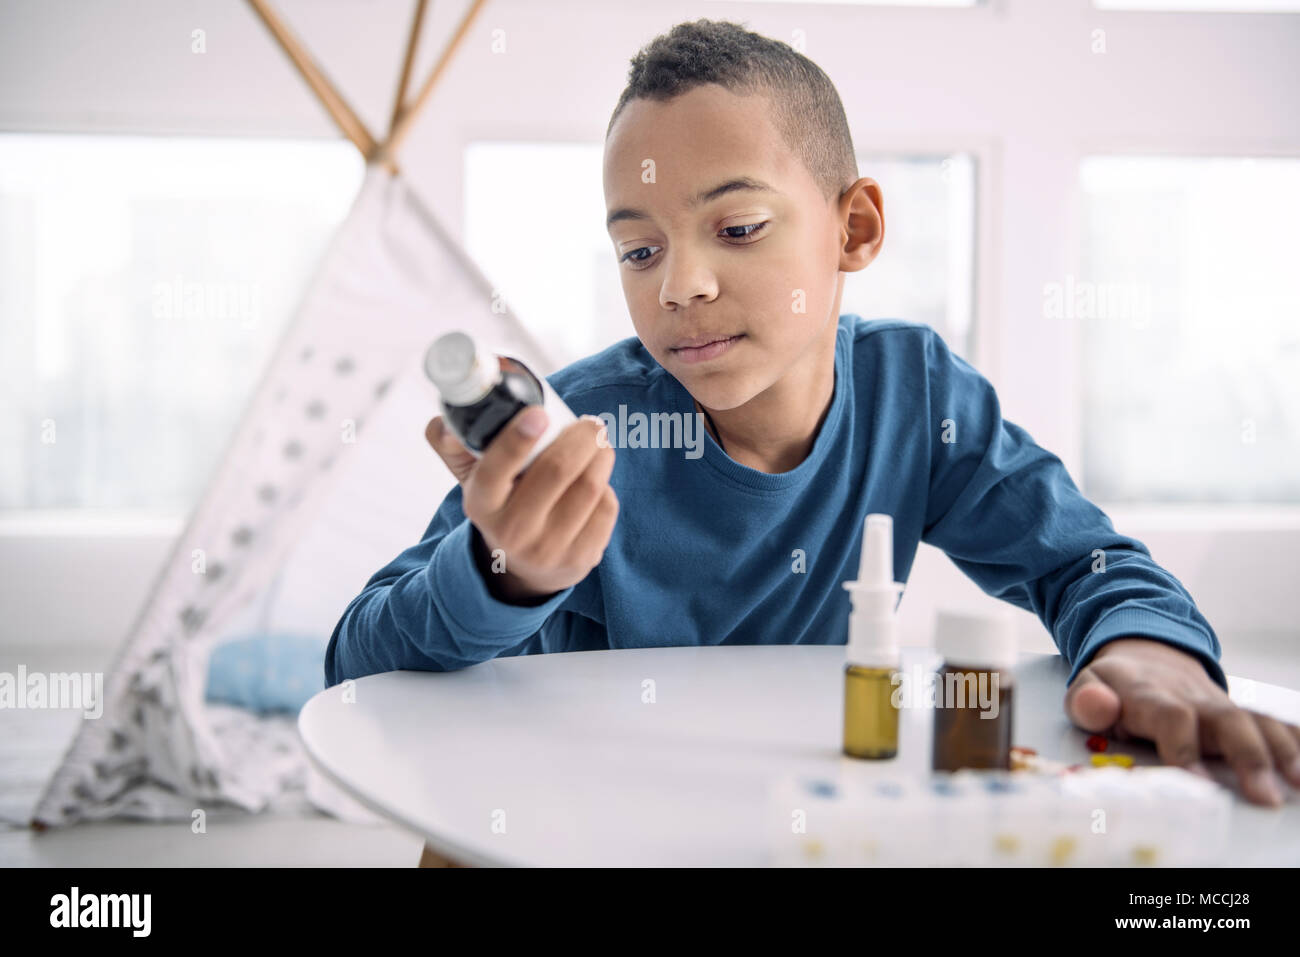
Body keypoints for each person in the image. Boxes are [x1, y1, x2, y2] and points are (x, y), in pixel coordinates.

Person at [327, 18, 1299, 809]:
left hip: (779, 814)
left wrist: (1149, 655)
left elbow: (1083, 559)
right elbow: (354, 662)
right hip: (546, 824)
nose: (681, 286)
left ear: (855, 227)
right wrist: (504, 573)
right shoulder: (582, 428)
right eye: (638, 250)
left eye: (737, 228)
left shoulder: (912, 396)